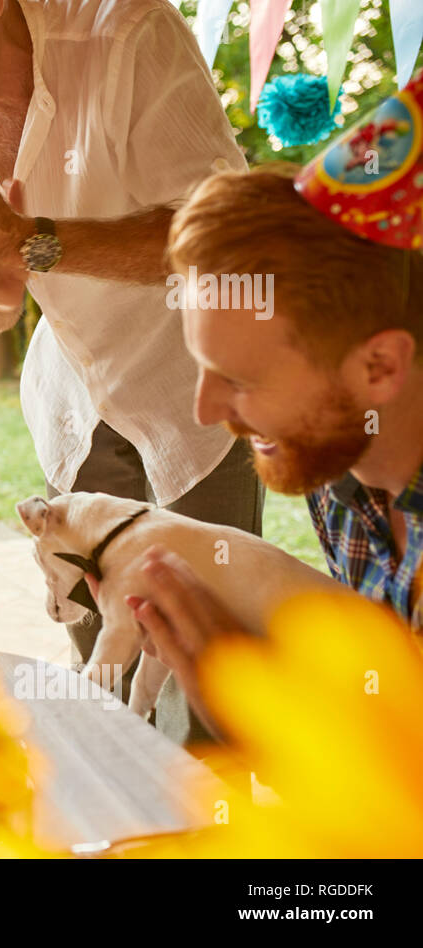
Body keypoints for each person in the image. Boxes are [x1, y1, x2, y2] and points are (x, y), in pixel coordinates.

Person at [0, 0, 261, 743]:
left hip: (192, 393)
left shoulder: (128, 34)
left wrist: (24, 242)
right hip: (75, 407)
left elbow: (221, 236)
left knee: (210, 692)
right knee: (100, 686)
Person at [123, 72, 423, 737]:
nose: (205, 410)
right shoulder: (339, 470)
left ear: (380, 367)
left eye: (240, 378)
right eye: (203, 367)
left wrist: (254, 708)